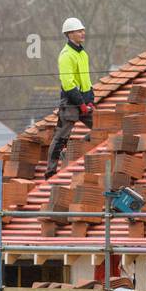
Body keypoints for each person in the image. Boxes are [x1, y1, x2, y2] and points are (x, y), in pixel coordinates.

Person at [44, 17, 93, 179]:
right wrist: (80, 103)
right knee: (61, 137)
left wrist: (90, 99)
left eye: (83, 30)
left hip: (84, 101)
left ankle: (75, 151)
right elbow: (68, 83)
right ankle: (50, 172)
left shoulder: (83, 54)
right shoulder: (66, 55)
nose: (83, 33)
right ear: (70, 33)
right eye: (79, 31)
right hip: (70, 102)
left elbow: (86, 80)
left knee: (101, 127)